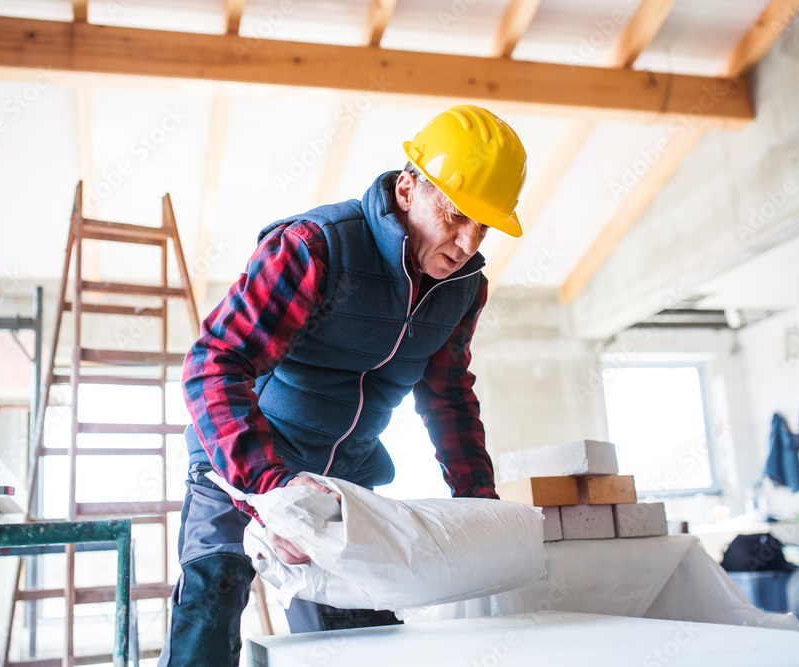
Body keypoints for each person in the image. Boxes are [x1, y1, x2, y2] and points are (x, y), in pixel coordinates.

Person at [158, 104, 528, 666]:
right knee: (207, 619)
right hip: (242, 471)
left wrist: (479, 504)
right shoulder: (315, 248)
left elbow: (448, 395)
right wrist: (275, 496)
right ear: (408, 188)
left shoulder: (461, 291)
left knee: (359, 649)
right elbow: (215, 363)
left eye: (485, 227)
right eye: (456, 216)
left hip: (343, 489)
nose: (466, 242)